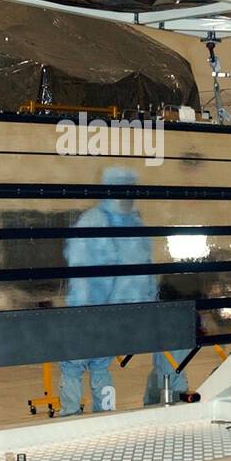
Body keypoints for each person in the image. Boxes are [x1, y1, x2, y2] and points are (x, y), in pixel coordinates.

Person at [58, 166, 189, 415]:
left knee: (80, 367)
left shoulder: (120, 223)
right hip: (102, 314)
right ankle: (94, 415)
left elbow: (143, 273)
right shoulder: (102, 223)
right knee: (92, 367)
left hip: (103, 316)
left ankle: (73, 416)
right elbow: (86, 276)